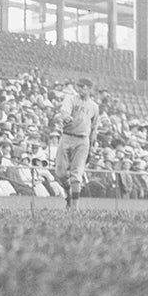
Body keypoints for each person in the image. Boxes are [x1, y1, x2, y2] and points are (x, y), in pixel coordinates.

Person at [53, 78, 99, 209]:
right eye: (79, 86)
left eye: (83, 87)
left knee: (76, 174)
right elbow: (64, 111)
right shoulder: (71, 99)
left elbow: (94, 128)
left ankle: (75, 208)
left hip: (82, 140)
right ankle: (69, 194)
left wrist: (91, 147)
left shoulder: (94, 106)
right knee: (60, 173)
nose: (80, 89)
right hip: (67, 136)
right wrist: (66, 117)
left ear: (89, 89)